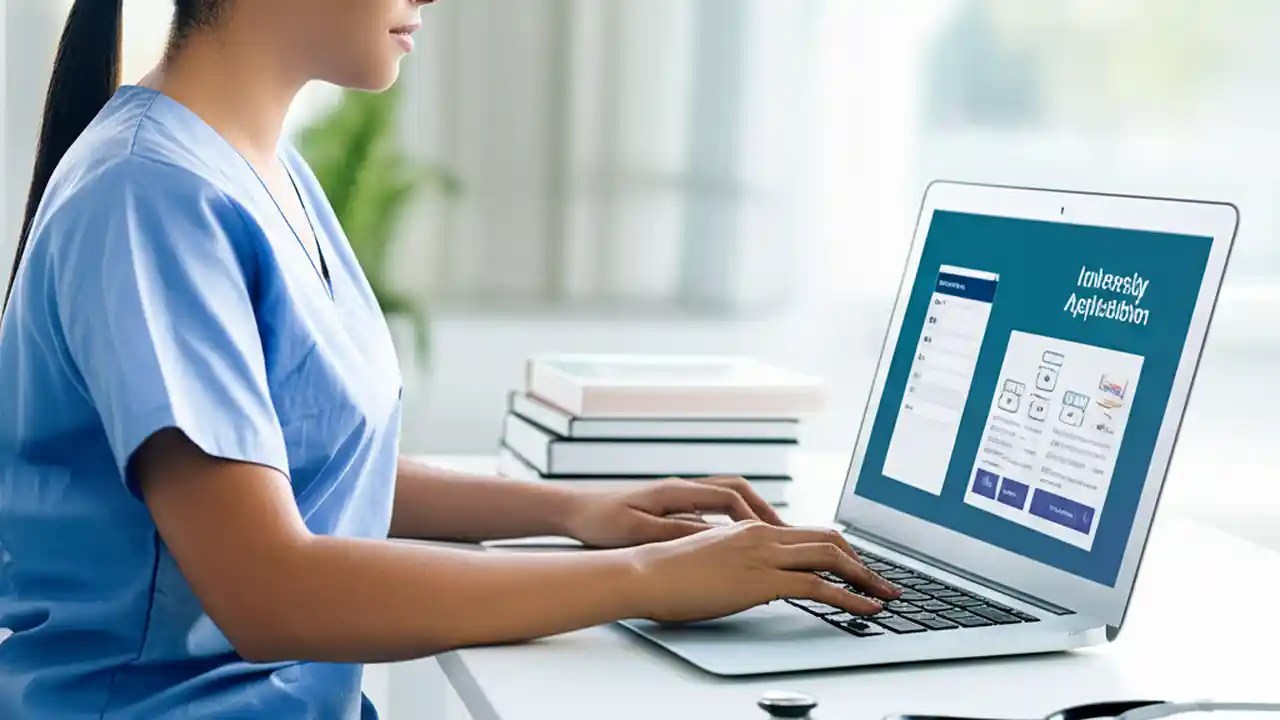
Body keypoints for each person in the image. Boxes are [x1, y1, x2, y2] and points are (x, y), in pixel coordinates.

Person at [0, 1, 898, 717]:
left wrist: (576, 511)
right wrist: (645, 581)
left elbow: (311, 470)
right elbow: (264, 586)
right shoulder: (149, 196)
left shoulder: (259, 168)